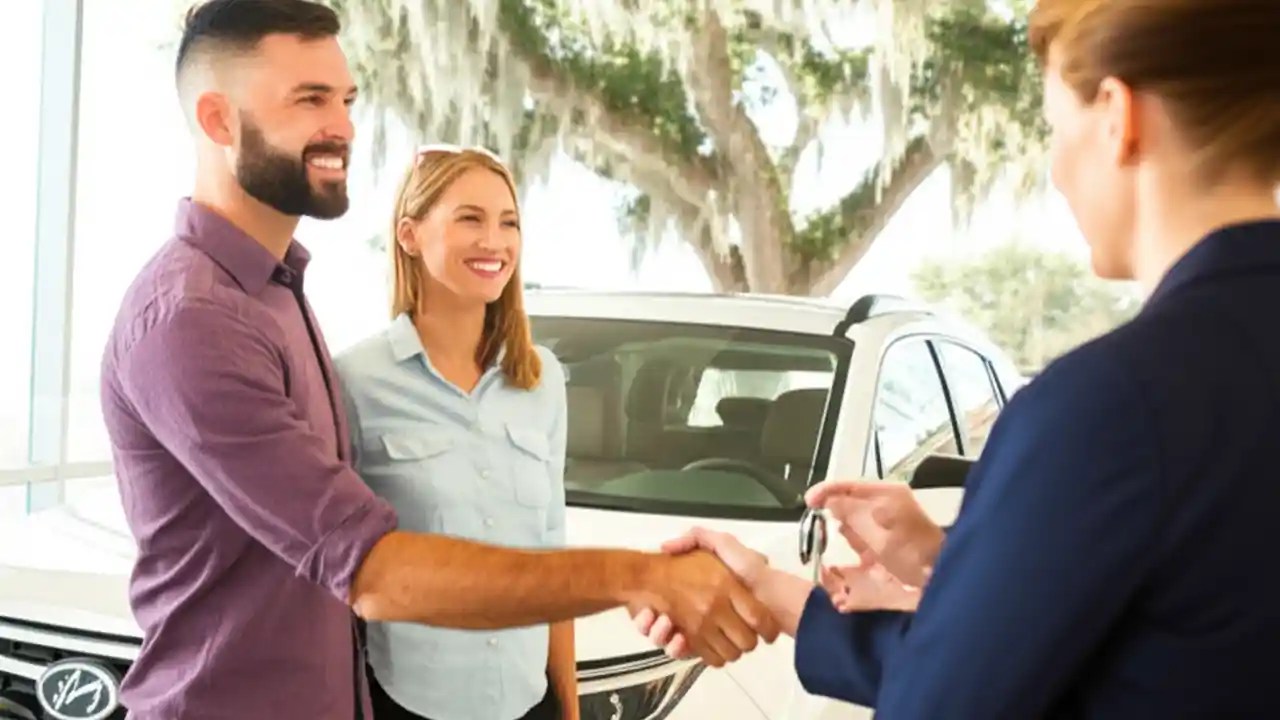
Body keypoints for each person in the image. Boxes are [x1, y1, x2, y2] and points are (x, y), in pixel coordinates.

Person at [98, 2, 776, 719]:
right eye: (309, 99)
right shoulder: (194, 320)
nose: (343, 128)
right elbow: (372, 571)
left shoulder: (277, 294)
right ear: (218, 121)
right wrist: (640, 577)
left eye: (347, 101)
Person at [639, 0, 1280, 717]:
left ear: (1114, 116)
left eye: (1052, 127)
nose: (1056, 170)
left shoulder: (1110, 406)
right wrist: (953, 570)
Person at [334, 145, 575, 720]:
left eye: (508, 222)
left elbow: (552, 559)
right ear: (410, 234)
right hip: (405, 705)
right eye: (471, 218)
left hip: (528, 702)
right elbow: (335, 572)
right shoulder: (353, 381)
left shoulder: (542, 382)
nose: (495, 241)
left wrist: (568, 709)